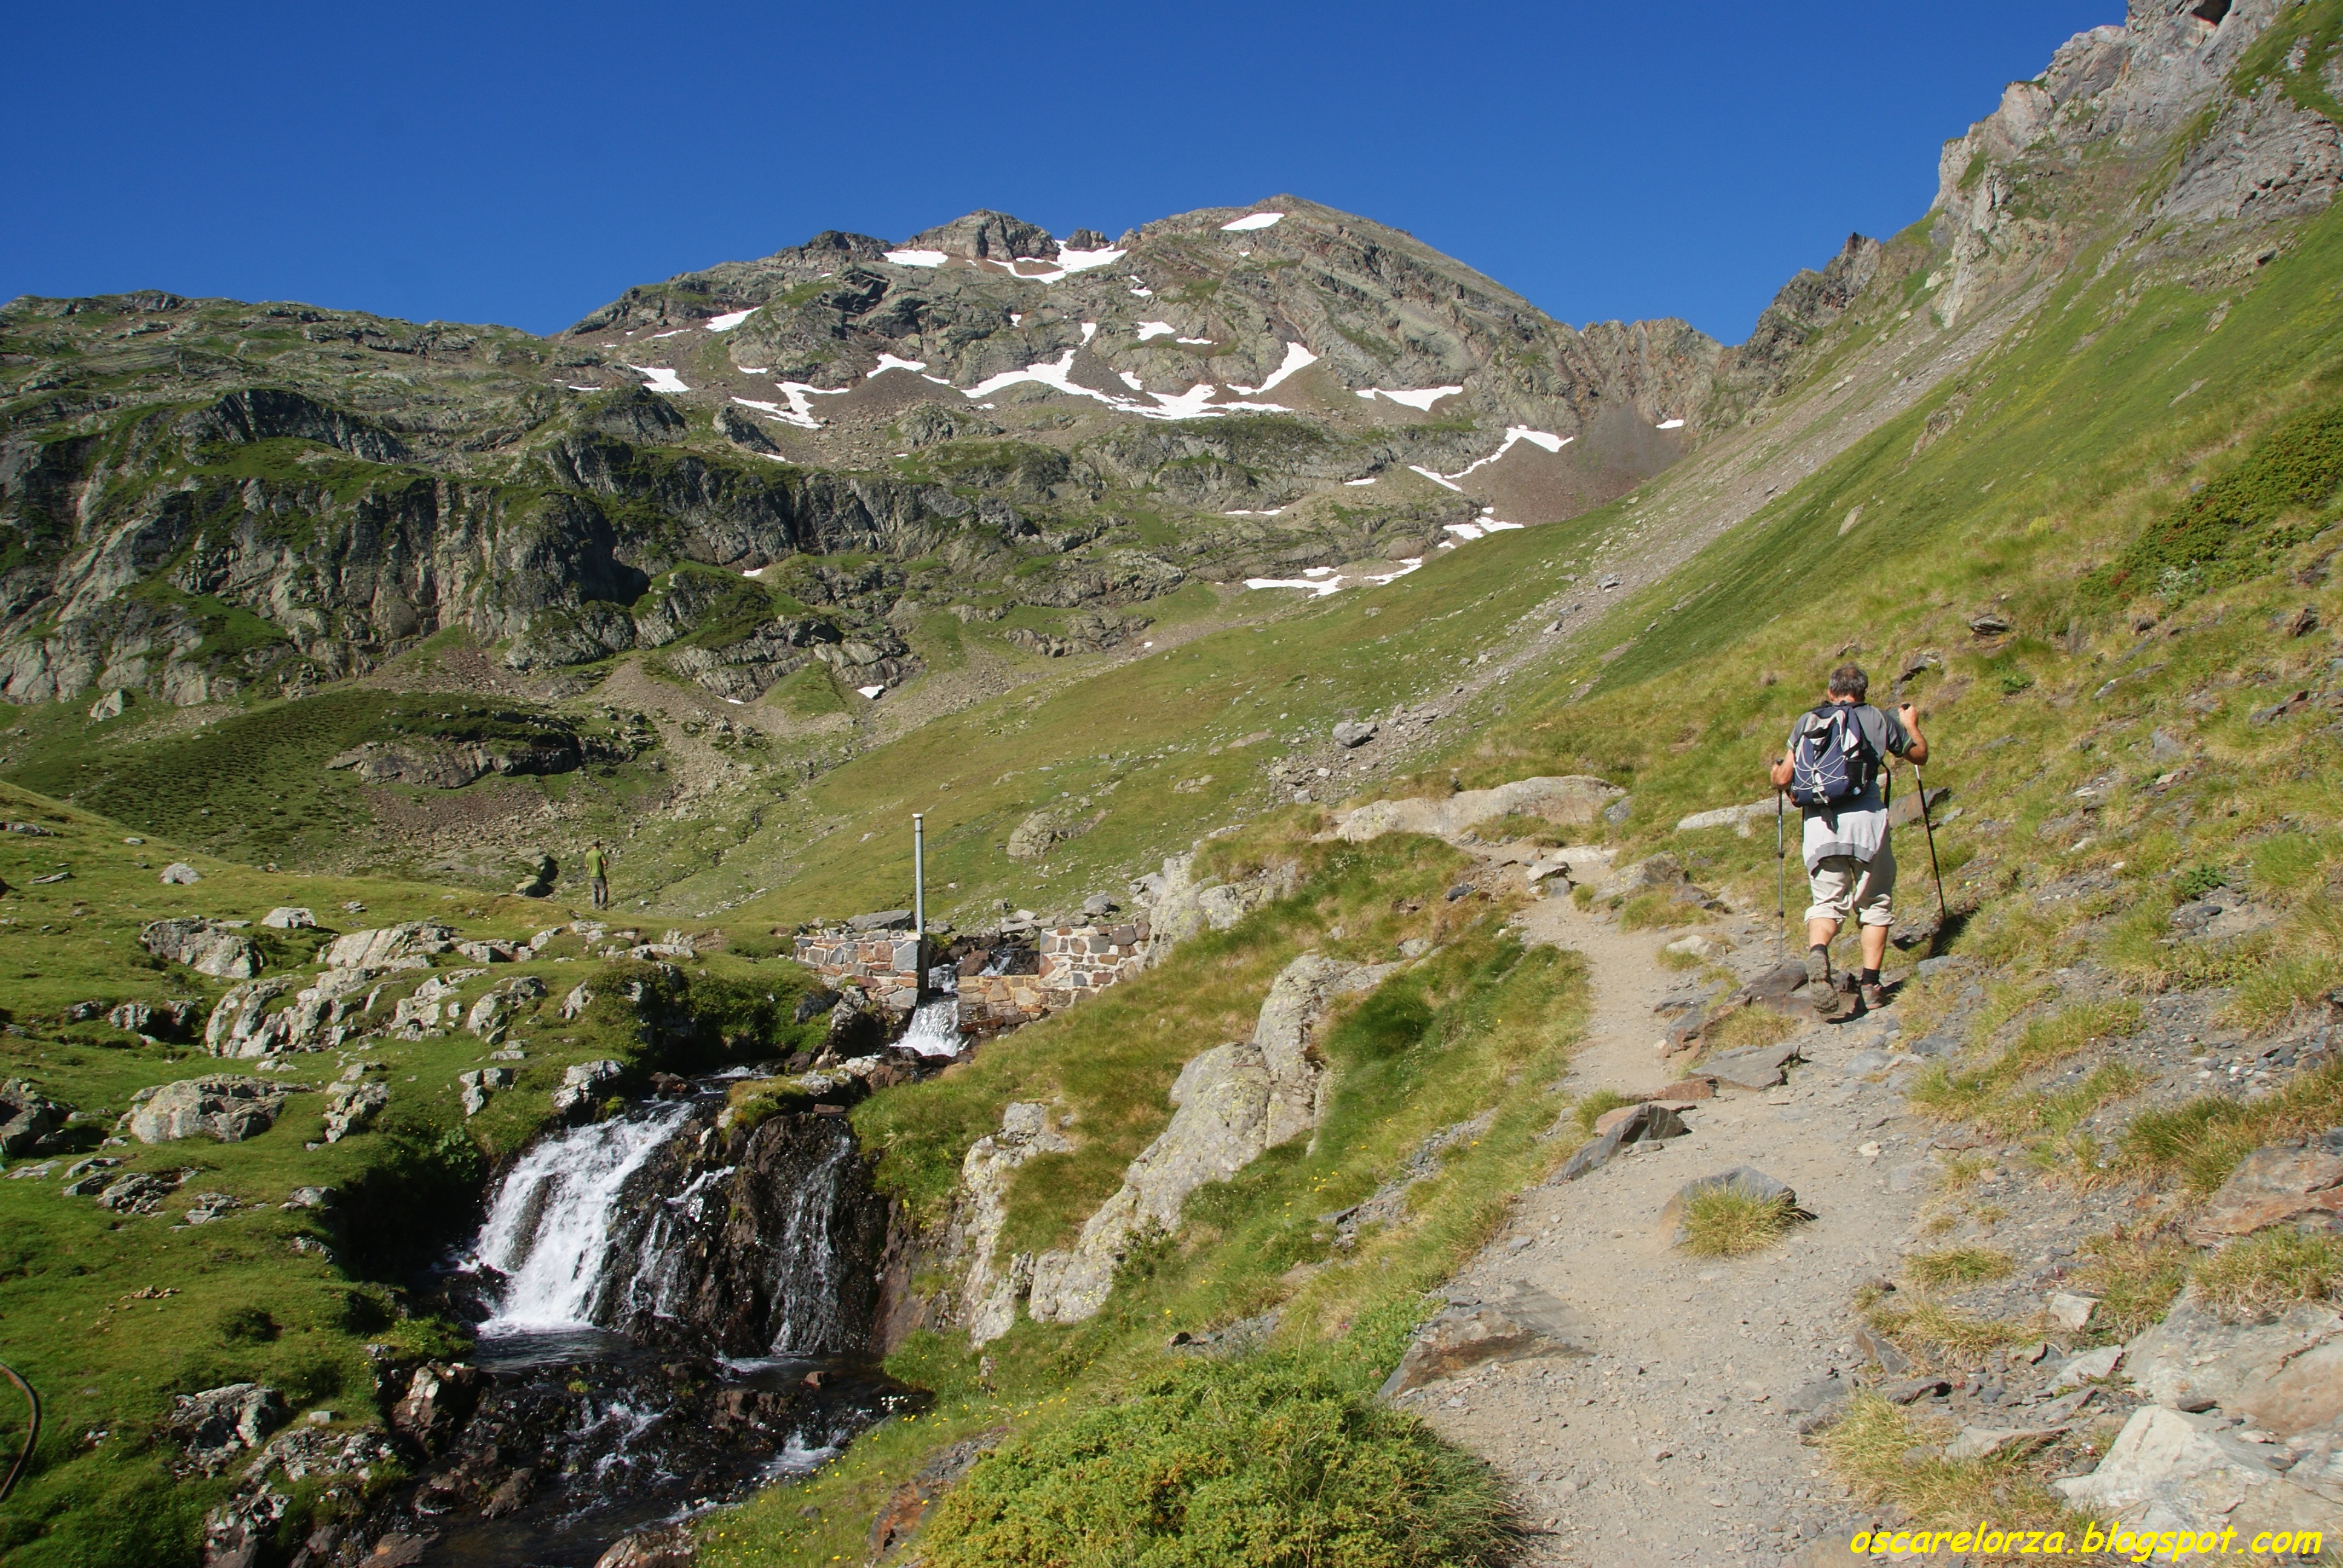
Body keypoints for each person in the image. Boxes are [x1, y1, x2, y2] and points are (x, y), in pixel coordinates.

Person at [1768, 662, 1928, 1016]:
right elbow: (1919, 754)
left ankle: (1818, 951)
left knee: (1827, 904)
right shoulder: (1878, 718)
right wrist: (1911, 725)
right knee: (1875, 903)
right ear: (1863, 691)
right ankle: (1871, 986)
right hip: (1866, 820)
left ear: (1830, 692)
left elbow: (1783, 779)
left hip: (1819, 825)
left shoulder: (1807, 722)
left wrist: (1775, 773)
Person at [584, 840, 609, 910]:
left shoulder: (588, 854)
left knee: (594, 891)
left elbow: (586, 866)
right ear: (599, 845)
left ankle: (595, 905)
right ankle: (603, 906)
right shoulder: (600, 853)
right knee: (603, 890)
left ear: (592, 845)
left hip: (592, 875)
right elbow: (605, 862)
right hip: (599, 874)